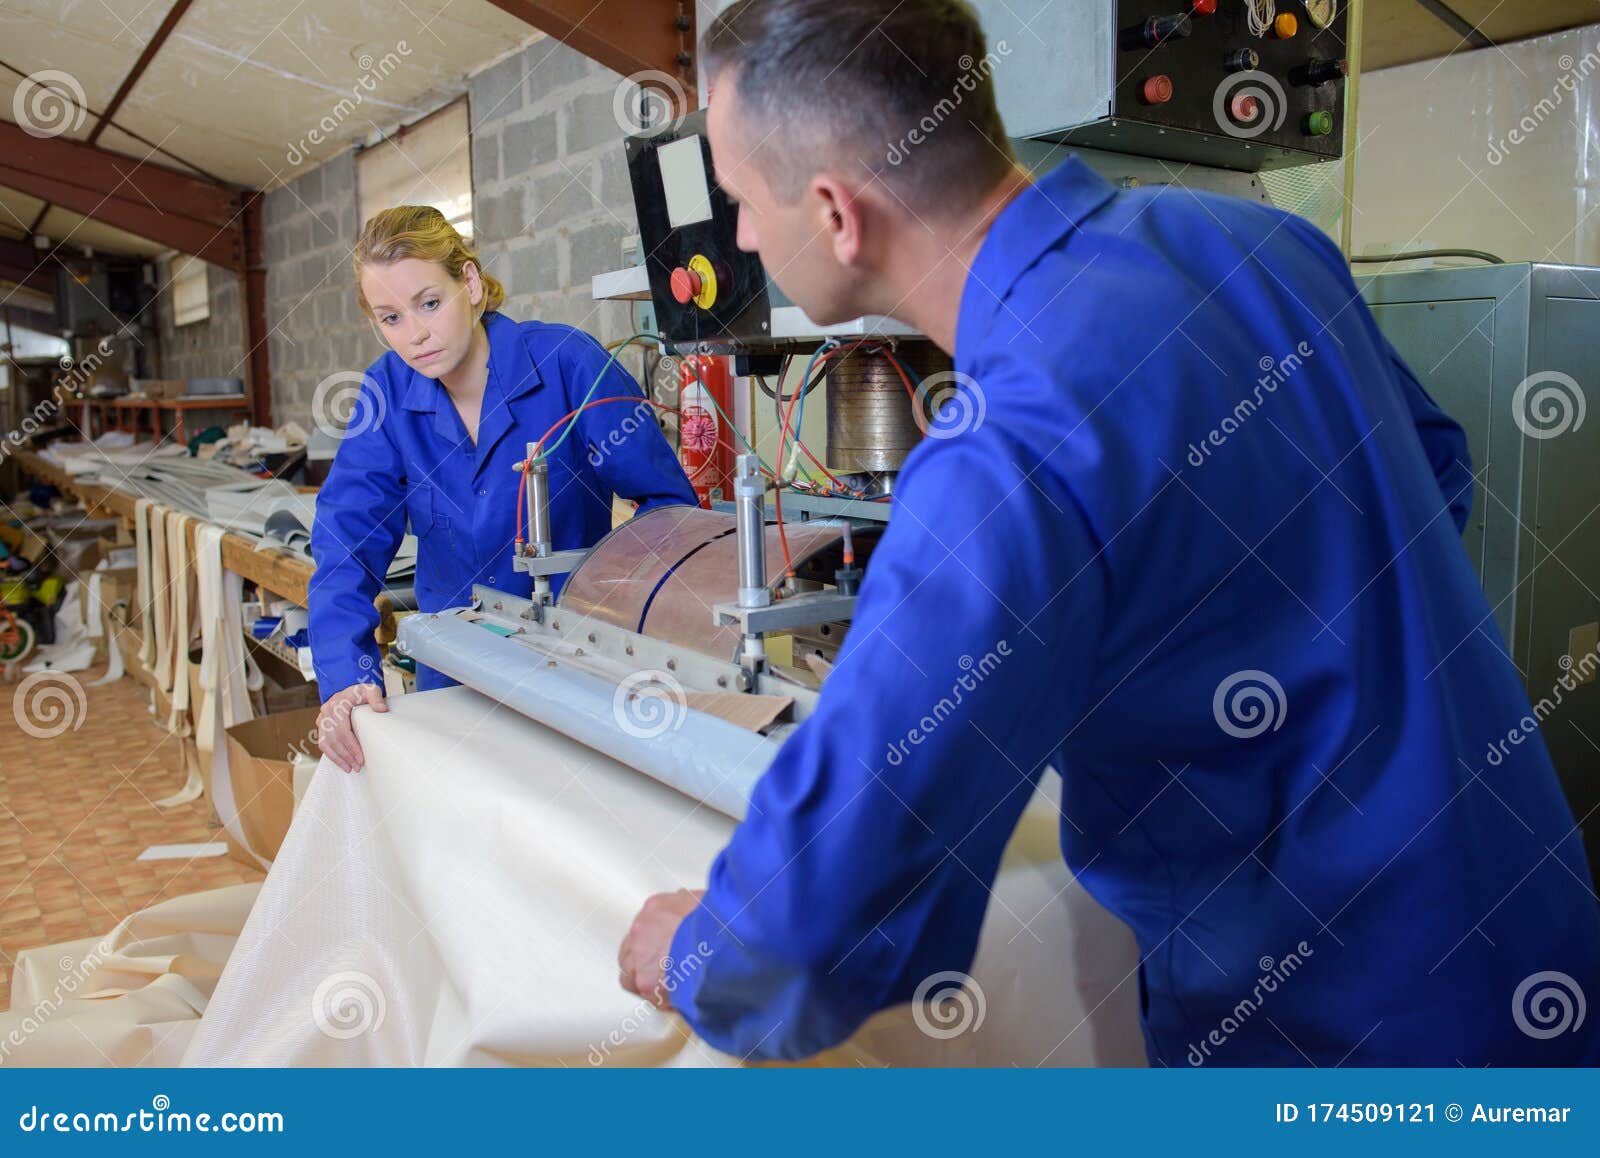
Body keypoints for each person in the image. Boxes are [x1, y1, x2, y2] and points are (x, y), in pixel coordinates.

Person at [617, 0, 1600, 1066]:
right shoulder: (1263, 247)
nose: (745, 237)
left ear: (834, 214)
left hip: (1332, 1030)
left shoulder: (1006, 448)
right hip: (1534, 932)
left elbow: (829, 909)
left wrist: (701, 951)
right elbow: (1436, 472)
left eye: (741, 202)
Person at [310, 206, 695, 773]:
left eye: (429, 303)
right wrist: (346, 680)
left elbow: (670, 513)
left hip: (579, 676)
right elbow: (346, 548)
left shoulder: (567, 363)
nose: (415, 335)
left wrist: (614, 615)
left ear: (469, 283)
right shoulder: (385, 394)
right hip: (454, 684)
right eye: (390, 318)